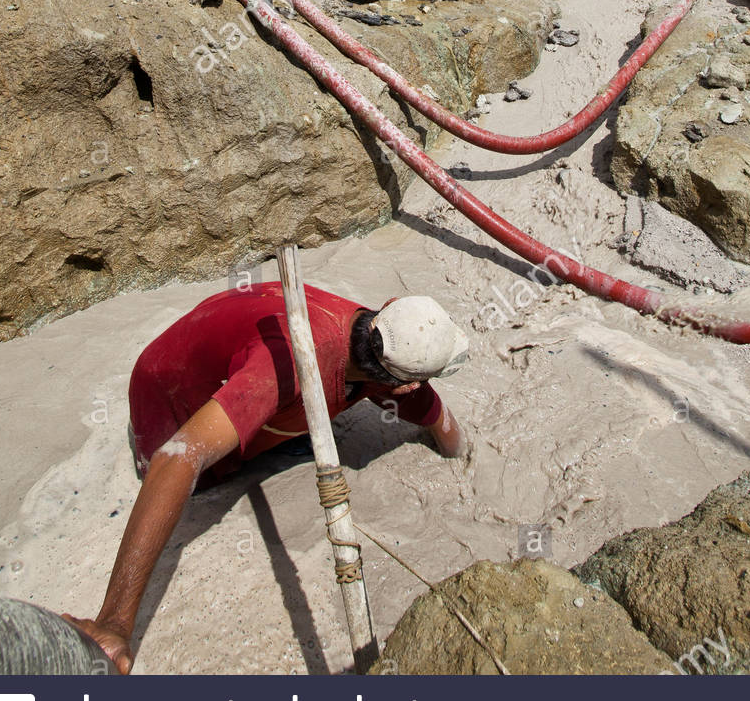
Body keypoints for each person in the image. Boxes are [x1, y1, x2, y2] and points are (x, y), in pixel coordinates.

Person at [64, 283, 469, 673]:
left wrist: (457, 450)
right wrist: (115, 622)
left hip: (230, 346)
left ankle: (278, 432)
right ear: (401, 385)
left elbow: (443, 426)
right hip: (168, 392)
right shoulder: (290, 367)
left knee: (303, 424)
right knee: (207, 472)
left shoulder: (372, 329)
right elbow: (175, 459)